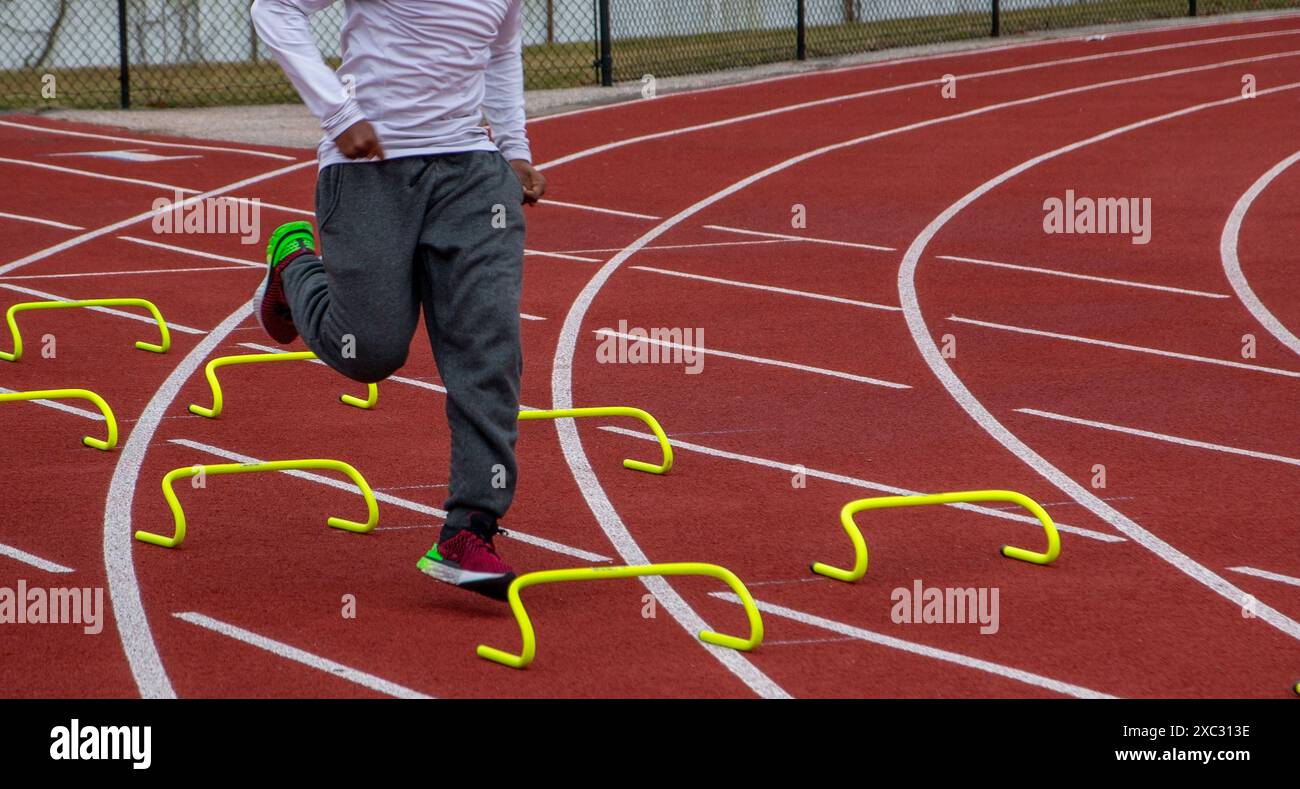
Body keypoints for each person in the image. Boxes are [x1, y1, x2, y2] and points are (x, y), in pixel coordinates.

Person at [250, 0, 546, 600]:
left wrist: (516, 149)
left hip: (472, 171)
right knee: (372, 352)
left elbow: (500, 49)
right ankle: (293, 263)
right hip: (369, 165)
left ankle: (470, 528)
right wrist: (338, 112)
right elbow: (275, 9)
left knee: (489, 349)